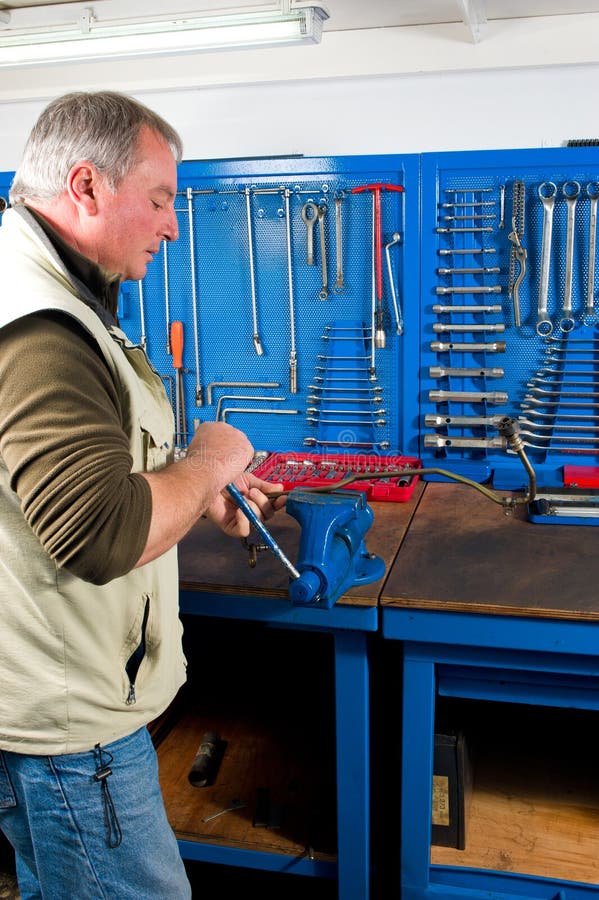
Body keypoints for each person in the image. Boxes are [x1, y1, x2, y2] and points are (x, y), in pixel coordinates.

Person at [0, 90, 283, 899]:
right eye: (159, 199)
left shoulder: (56, 296)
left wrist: (198, 496)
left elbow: (88, 484)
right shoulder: (42, 329)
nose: (171, 224)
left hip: (47, 696)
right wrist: (209, 458)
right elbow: (101, 535)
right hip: (67, 727)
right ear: (85, 187)